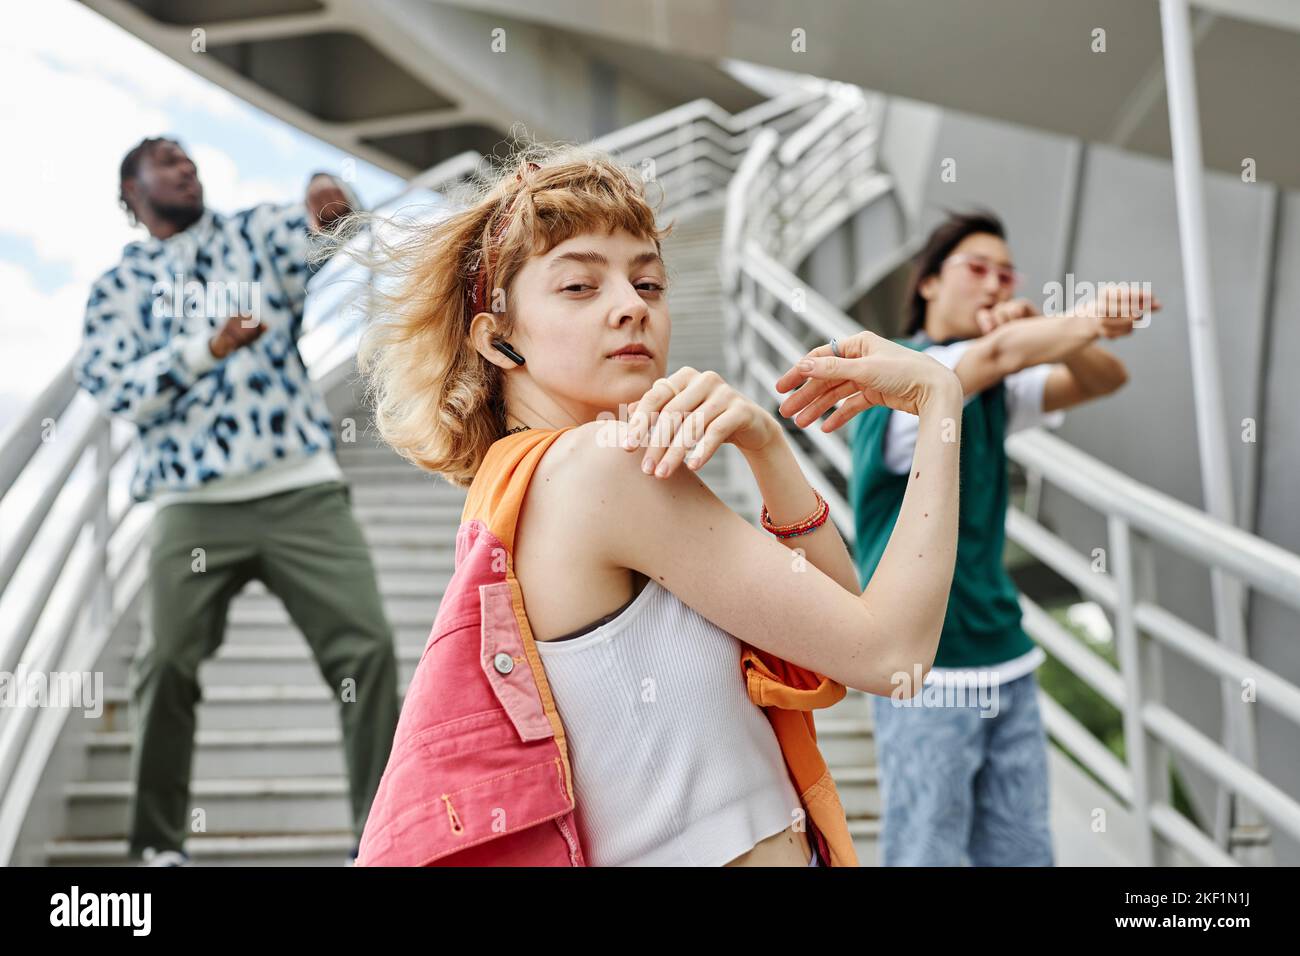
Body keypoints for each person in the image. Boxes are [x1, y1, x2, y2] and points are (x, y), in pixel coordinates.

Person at [349, 146, 966, 867]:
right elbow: (893, 654)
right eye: (579, 285)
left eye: (648, 282)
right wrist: (939, 402)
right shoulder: (601, 468)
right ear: (498, 338)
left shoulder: (516, 491)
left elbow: (838, 621)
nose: (629, 306)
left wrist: (767, 446)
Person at [74, 136, 399, 866]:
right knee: (165, 665)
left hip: (298, 485)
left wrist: (326, 191)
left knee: (368, 648)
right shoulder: (119, 289)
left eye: (187, 157)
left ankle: (382, 842)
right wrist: (206, 350)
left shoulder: (255, 234)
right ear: (132, 194)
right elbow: (113, 386)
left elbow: (333, 224)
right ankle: (158, 850)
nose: (184, 166)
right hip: (191, 502)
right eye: (163, 162)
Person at [836, 210, 1157, 866]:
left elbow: (1105, 379)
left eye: (1005, 275)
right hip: (923, 670)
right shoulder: (900, 380)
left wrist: (1055, 333)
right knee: (926, 853)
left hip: (1004, 655)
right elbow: (987, 359)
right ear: (927, 283)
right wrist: (1084, 318)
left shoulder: (992, 387)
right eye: (975, 268)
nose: (993, 284)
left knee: (1024, 854)